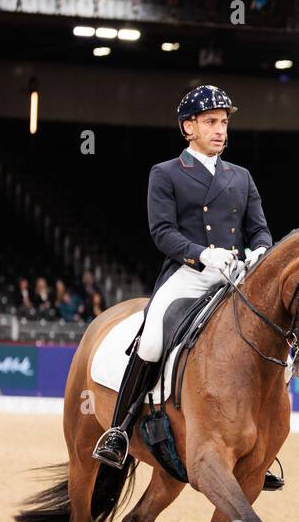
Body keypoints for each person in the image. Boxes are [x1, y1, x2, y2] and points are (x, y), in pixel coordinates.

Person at [93, 84, 274, 468]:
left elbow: (258, 228)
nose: (220, 130)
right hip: (188, 273)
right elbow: (162, 232)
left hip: (235, 275)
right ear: (188, 127)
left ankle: (263, 440)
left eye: (224, 122)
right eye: (211, 122)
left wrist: (259, 251)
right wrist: (203, 253)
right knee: (153, 337)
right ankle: (120, 429)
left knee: (271, 337)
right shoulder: (166, 173)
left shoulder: (240, 176)